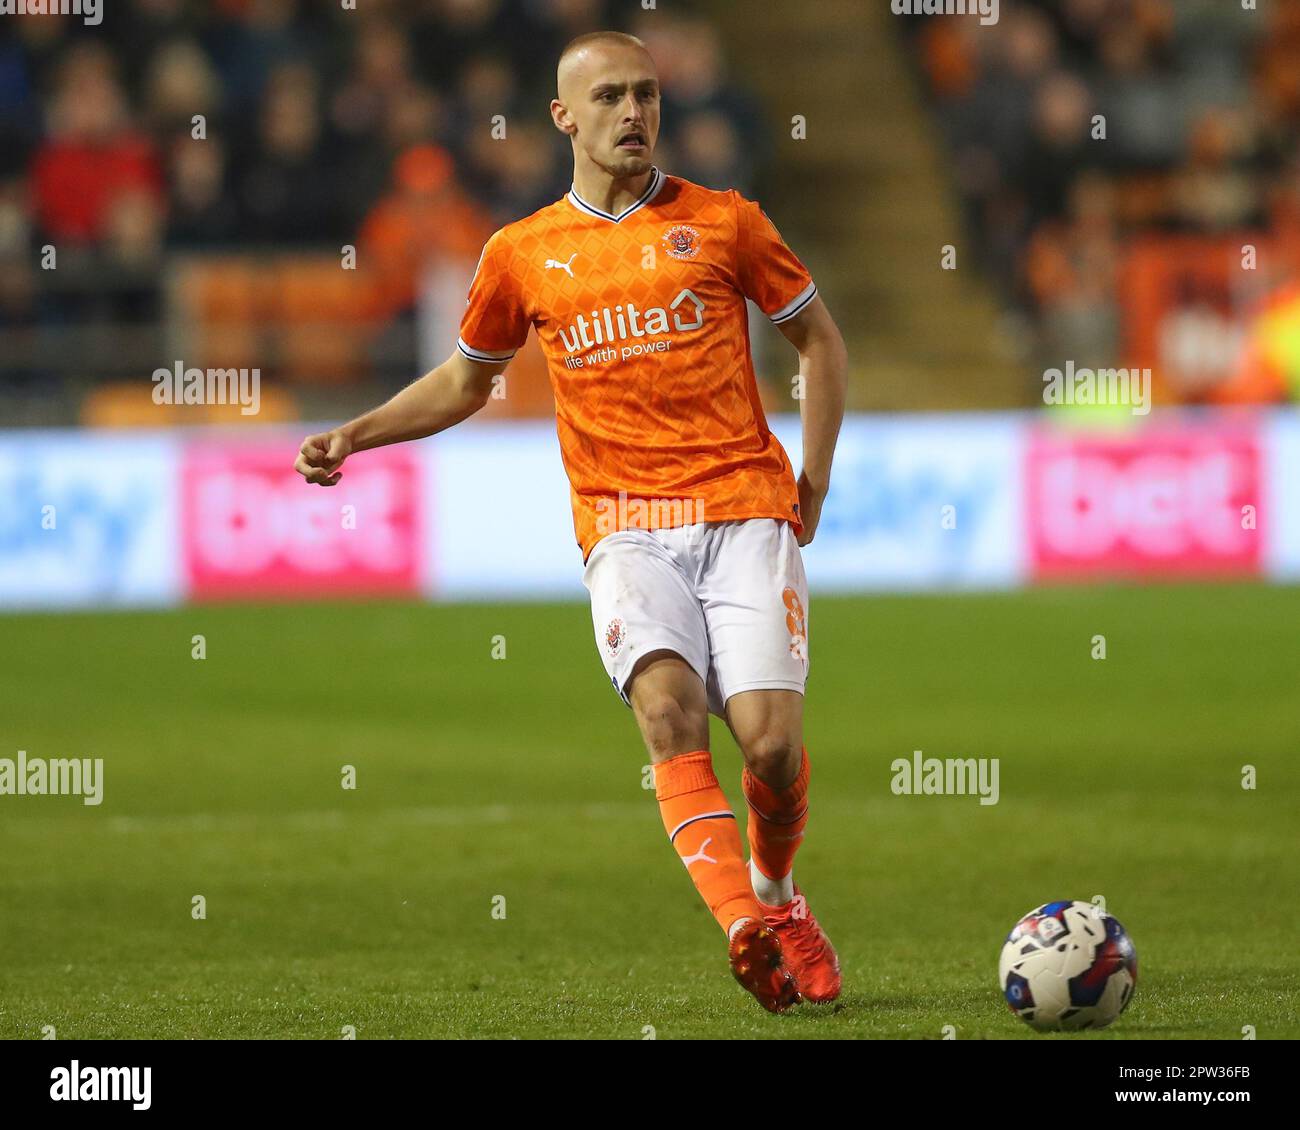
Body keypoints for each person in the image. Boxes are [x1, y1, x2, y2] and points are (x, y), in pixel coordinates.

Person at [295, 30, 848, 1013]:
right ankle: (744, 928)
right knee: (668, 714)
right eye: (609, 97)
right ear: (564, 116)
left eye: (645, 94)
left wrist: (813, 474)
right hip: (624, 525)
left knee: (768, 745)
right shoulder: (522, 253)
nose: (632, 112)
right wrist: (358, 432)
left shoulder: (725, 223)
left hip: (744, 510)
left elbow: (817, 338)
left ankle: (776, 893)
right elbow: (467, 380)